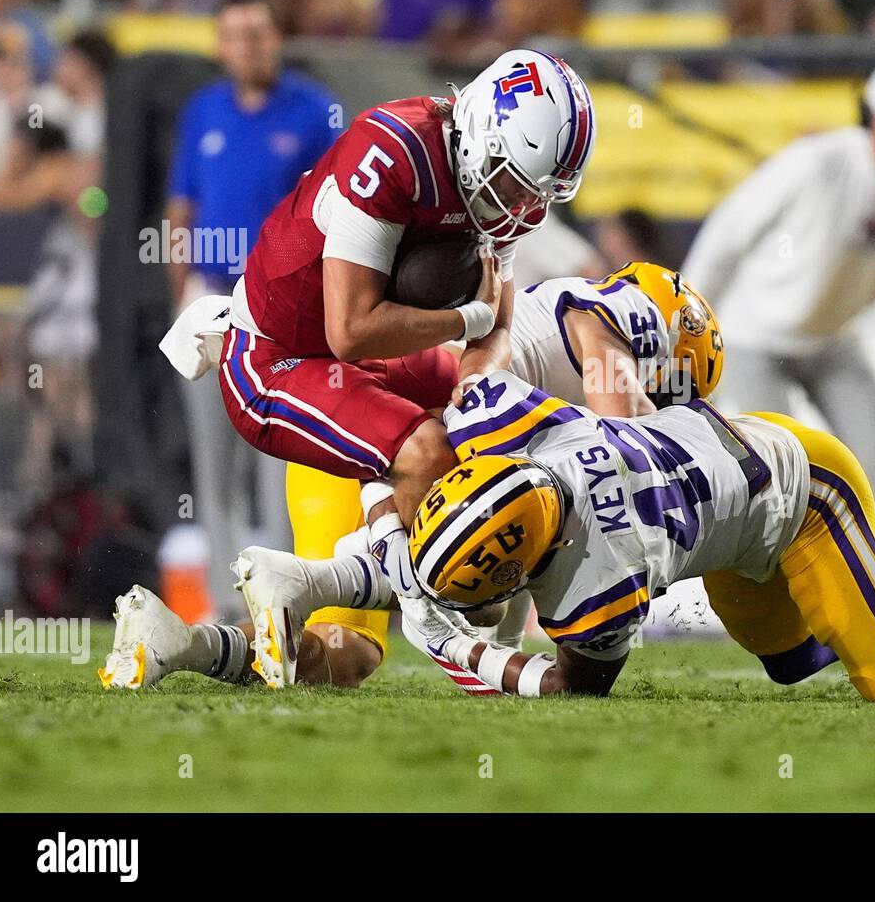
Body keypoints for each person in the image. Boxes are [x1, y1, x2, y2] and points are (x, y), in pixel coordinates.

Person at [230, 367, 875, 711]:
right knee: (787, 668)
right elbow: (435, 441)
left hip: (799, 491)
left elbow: (576, 690)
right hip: (725, 498)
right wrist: (403, 531)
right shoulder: (516, 423)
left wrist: (474, 654)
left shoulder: (600, 577)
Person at [101, 262, 723, 689]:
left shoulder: (549, 324)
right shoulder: (609, 318)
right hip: (397, 435)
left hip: (344, 426)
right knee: (476, 590)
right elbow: (627, 438)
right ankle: (302, 581)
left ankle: (183, 644)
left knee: (347, 658)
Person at [681, 60, 875, 546]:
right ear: (870, 118)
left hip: (833, 343)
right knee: (774, 472)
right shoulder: (817, 162)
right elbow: (728, 235)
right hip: (752, 339)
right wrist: (681, 327)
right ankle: (781, 603)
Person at [166, 0, 340, 611]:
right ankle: (226, 599)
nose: (248, 45)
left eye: (258, 33)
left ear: (277, 38)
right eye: (235, 34)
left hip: (282, 305)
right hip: (211, 296)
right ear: (220, 46)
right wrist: (181, 290)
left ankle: (288, 592)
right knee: (213, 460)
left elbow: (339, 208)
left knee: (282, 453)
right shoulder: (204, 110)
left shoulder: (316, 112)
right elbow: (182, 205)